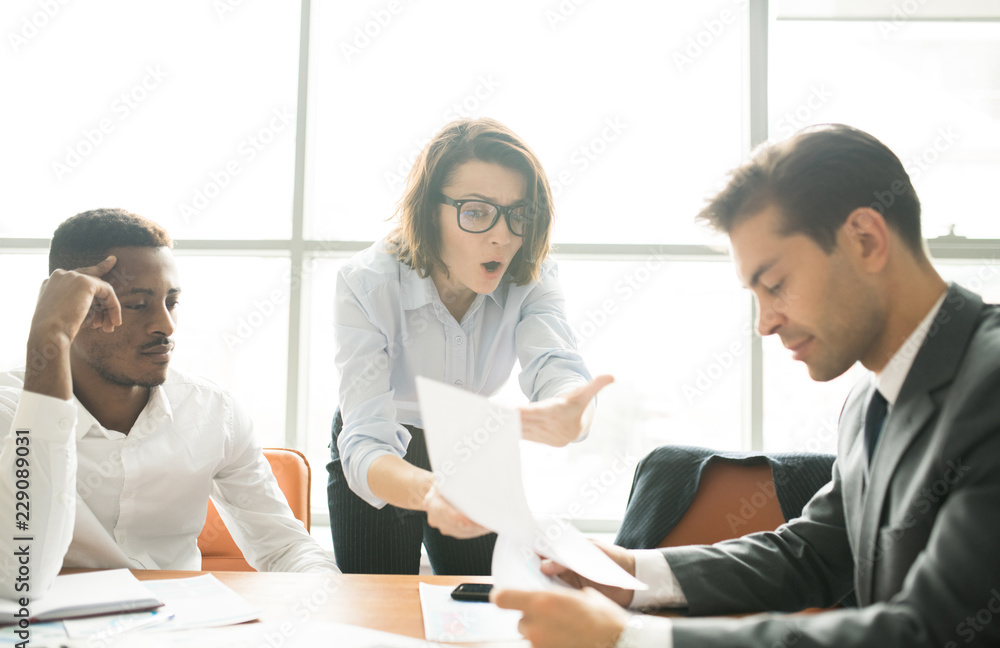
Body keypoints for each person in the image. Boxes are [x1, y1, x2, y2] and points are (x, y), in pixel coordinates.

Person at [492, 124, 1000, 648]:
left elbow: (937, 635)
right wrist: (628, 575)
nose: (766, 323)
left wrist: (631, 647)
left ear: (866, 240)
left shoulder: (988, 386)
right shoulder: (870, 400)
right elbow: (811, 554)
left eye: (776, 284)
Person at [1, 209, 339, 602]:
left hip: (180, 635)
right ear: (70, 306)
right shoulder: (10, 411)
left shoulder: (216, 413)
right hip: (52, 644)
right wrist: (49, 335)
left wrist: (327, 600)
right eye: (137, 304)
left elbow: (285, 549)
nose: (165, 325)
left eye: (171, 301)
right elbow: (22, 574)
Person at [328, 117, 611, 575]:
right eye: (477, 212)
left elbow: (557, 367)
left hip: (472, 437)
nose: (503, 236)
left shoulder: (532, 276)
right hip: (382, 445)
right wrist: (431, 490)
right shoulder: (367, 283)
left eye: (518, 213)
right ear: (428, 213)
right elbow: (364, 440)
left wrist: (570, 412)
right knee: (378, 610)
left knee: (486, 602)